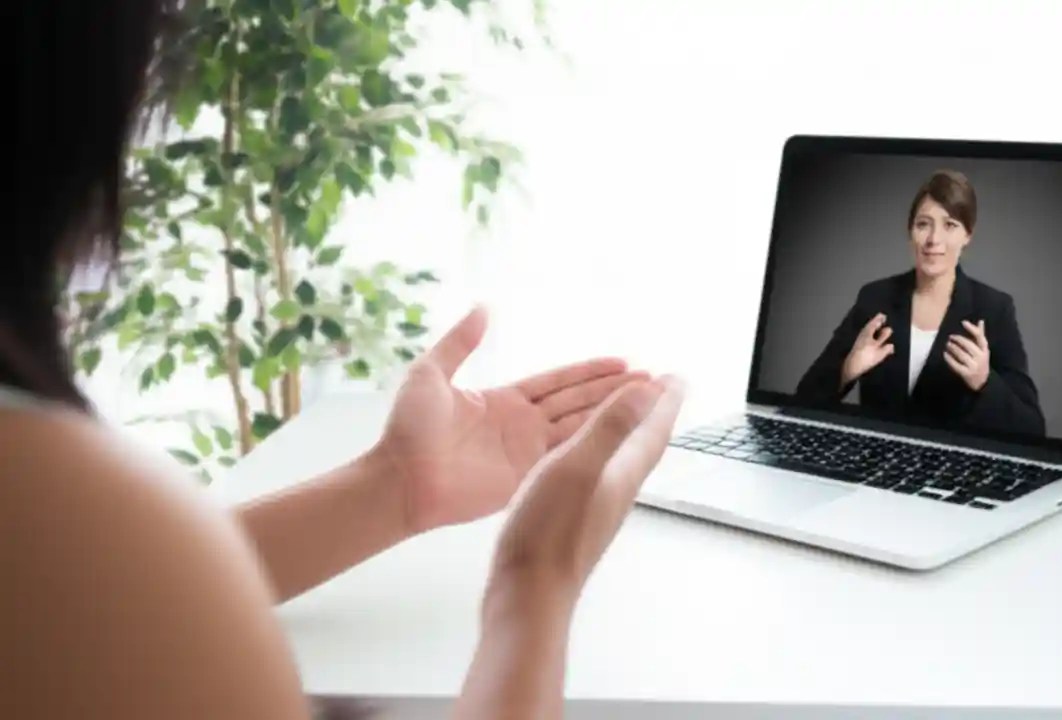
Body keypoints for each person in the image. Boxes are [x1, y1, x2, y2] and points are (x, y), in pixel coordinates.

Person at [3, 4, 684, 718]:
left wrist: (395, 487)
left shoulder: (56, 532)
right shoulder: (41, 494)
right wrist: (536, 581)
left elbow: (113, 597)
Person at [795, 170, 1045, 437]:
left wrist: (984, 381)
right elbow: (802, 401)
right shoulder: (875, 298)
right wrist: (848, 370)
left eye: (950, 225)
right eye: (923, 224)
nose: (933, 240)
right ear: (910, 230)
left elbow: (1032, 428)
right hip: (874, 462)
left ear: (968, 235)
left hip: (953, 471)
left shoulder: (994, 308)